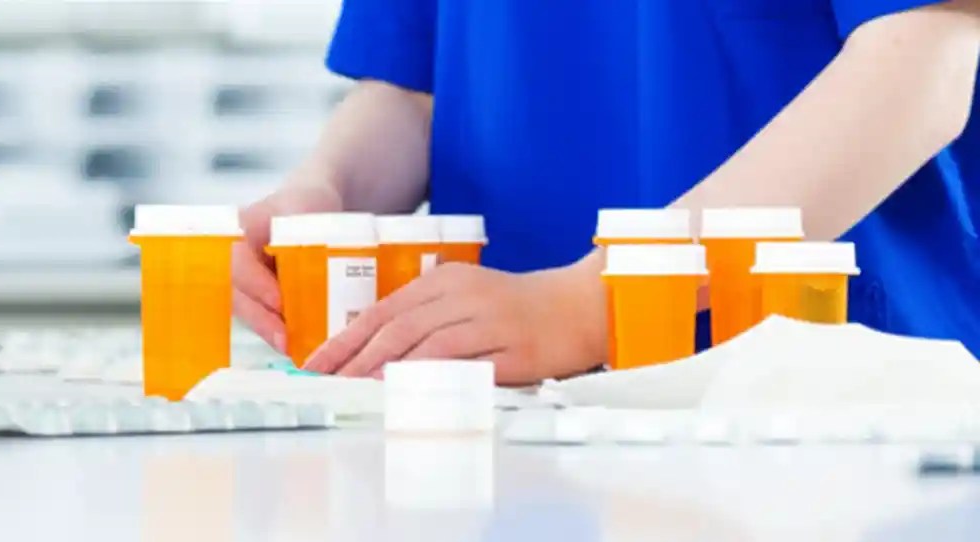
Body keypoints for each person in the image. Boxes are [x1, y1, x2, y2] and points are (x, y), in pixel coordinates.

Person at [233, 1, 980, 385]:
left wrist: (593, 301)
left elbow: (921, 63)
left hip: (814, 410)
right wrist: (325, 194)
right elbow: (415, 89)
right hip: (519, 410)